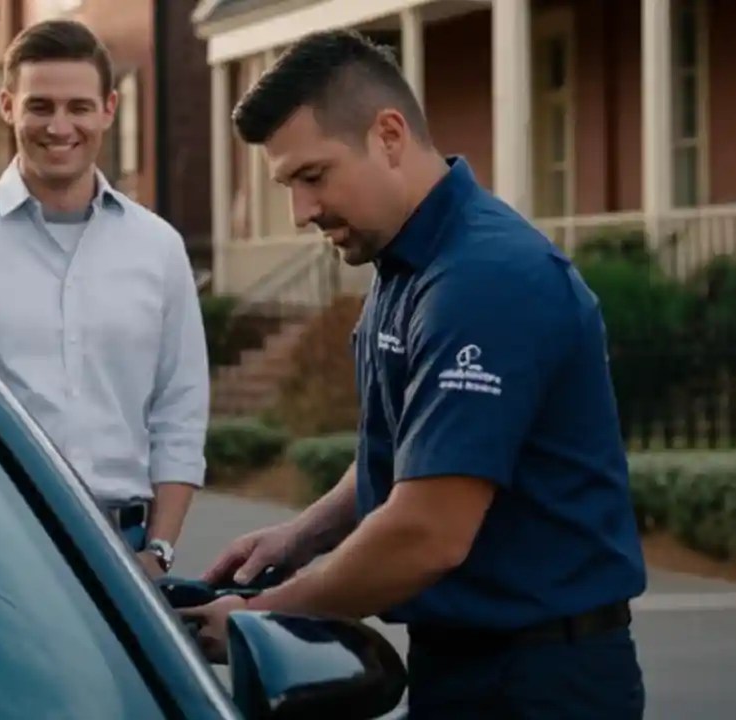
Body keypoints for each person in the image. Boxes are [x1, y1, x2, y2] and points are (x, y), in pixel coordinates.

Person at [181, 29, 648, 718]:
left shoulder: (484, 279)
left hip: (543, 682)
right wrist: (301, 536)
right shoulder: (409, 265)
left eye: (313, 176)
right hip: (460, 665)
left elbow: (425, 531)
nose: (301, 212)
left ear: (390, 135)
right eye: (288, 185)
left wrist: (260, 617)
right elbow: (419, 451)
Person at [0, 19, 209, 580]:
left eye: (78, 107)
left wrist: (159, 551)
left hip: (129, 550)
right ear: (8, 106)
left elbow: (180, 409)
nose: (59, 126)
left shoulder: (158, 248)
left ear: (109, 109)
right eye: (40, 106)